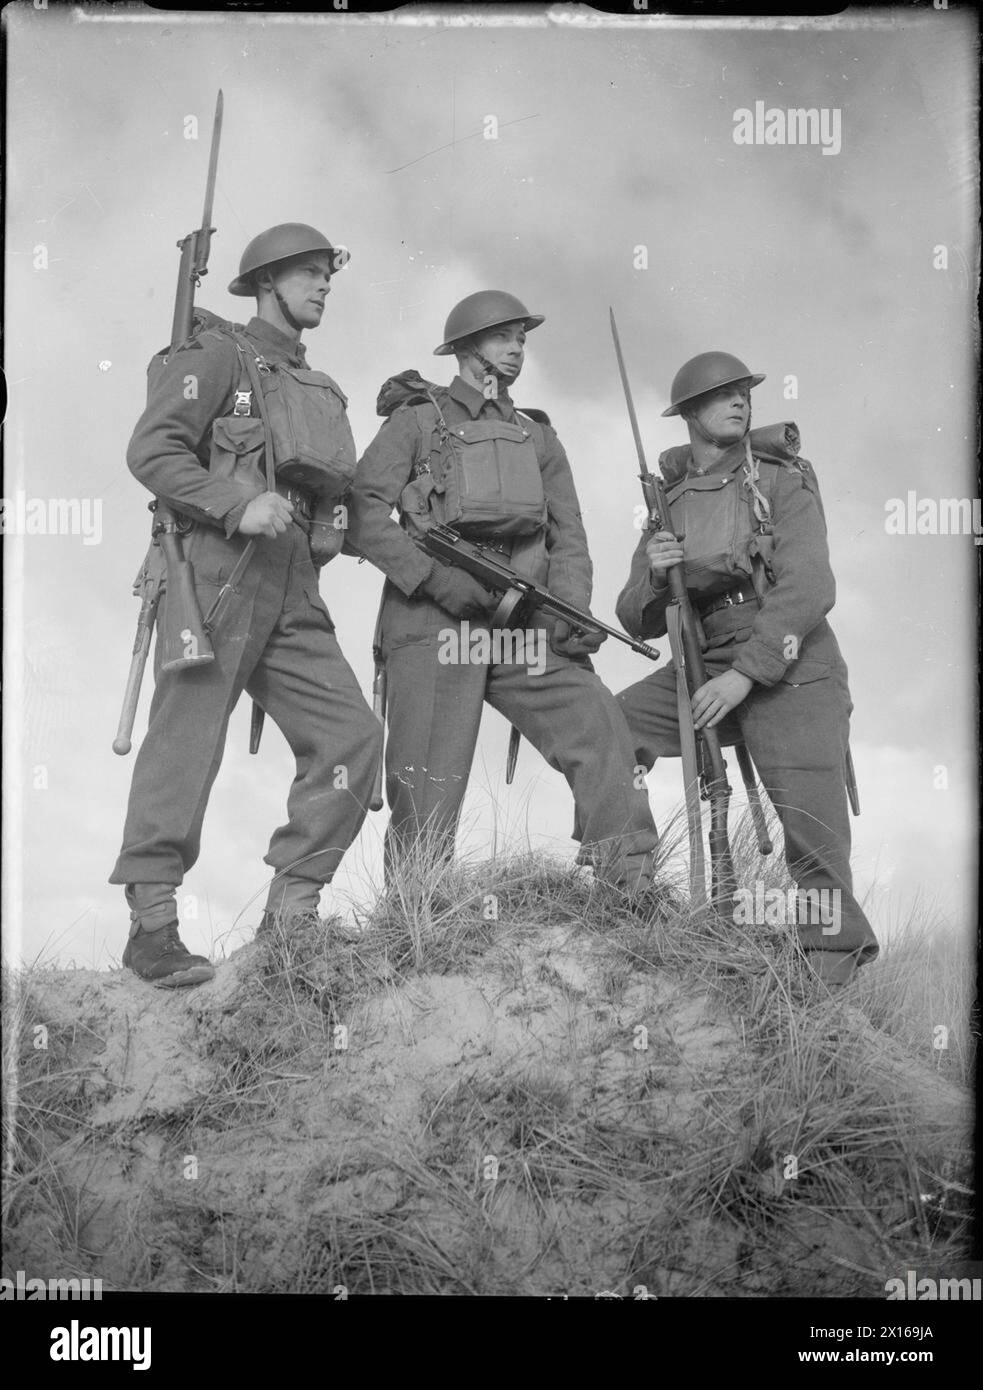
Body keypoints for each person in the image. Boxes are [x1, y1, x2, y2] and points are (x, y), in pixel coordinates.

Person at [111, 223, 381, 987]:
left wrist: (330, 520)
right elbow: (153, 452)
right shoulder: (216, 354)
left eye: (328, 273)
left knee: (352, 736)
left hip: (294, 584)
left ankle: (291, 916)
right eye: (306, 273)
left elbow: (336, 493)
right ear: (266, 282)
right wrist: (235, 503)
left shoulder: (317, 386)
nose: (323, 285)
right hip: (215, 570)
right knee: (185, 741)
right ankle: (153, 927)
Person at [345, 290, 659, 897]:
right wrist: (437, 578)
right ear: (465, 348)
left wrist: (569, 610)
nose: (516, 349)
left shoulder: (534, 435)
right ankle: (417, 914)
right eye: (502, 337)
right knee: (428, 781)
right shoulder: (416, 419)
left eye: (522, 338)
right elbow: (363, 513)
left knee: (595, 717)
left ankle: (630, 880)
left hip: (522, 623)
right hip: (434, 622)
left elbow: (568, 534)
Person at [615, 352, 879, 986]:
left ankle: (827, 981)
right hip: (703, 661)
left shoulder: (782, 480)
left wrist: (744, 677)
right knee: (607, 729)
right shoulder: (669, 502)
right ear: (687, 414)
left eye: (744, 392)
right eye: (722, 394)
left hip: (789, 662)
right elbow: (633, 617)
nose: (740, 400)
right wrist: (655, 572)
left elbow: (810, 586)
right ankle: (626, 883)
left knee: (812, 835)